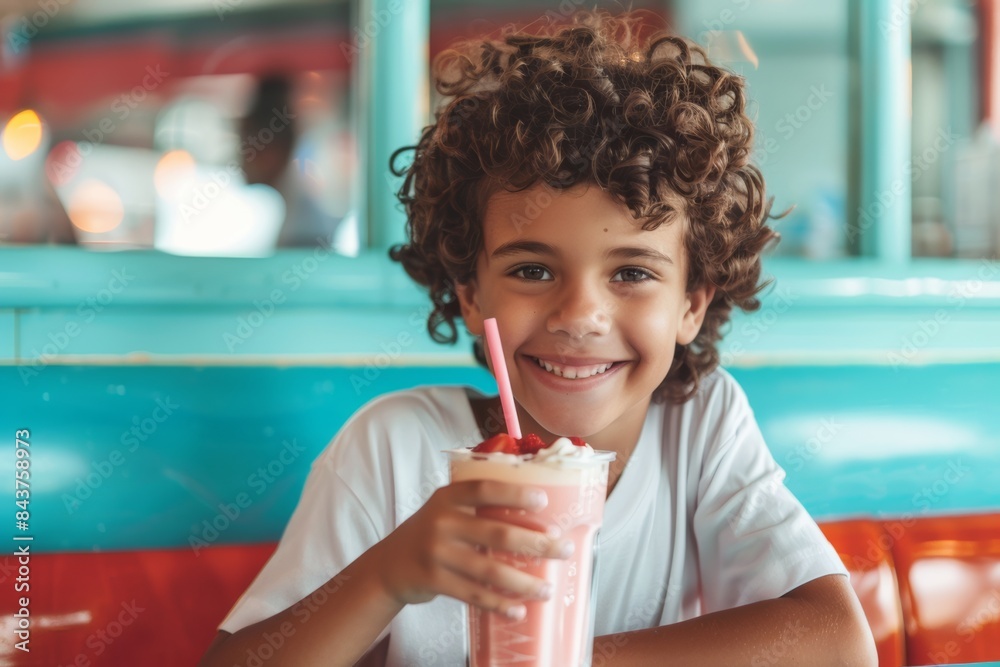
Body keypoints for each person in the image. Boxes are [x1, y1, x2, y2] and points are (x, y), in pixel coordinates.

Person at [200, 10, 877, 666]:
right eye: (531, 268)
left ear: (692, 303)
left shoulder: (699, 428)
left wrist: (561, 657)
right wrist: (388, 573)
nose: (579, 313)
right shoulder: (394, 449)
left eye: (633, 272)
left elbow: (837, 642)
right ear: (470, 291)